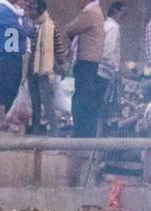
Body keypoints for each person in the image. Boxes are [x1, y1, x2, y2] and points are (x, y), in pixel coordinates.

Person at [26, 0, 66, 136]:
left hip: (45, 69)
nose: (30, 11)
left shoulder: (50, 26)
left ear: (41, 10)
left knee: (46, 100)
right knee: (34, 100)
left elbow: (58, 47)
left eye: (33, 9)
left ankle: (55, 130)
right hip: (30, 69)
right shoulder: (29, 26)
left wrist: (62, 64)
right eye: (29, 8)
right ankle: (36, 129)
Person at [64, 0, 103, 137]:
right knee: (87, 97)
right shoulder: (97, 11)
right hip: (92, 61)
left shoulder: (89, 12)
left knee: (81, 98)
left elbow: (70, 29)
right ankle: (86, 132)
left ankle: (80, 132)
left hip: (86, 60)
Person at [0, 0, 25, 129]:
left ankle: (6, 116)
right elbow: (17, 32)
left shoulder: (12, 12)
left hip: (14, 53)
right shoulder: (3, 11)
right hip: (7, 53)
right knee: (6, 84)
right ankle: (1, 119)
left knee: (13, 84)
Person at [98, 0, 125, 134]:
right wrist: (116, 70)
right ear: (116, 12)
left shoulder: (105, 25)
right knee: (105, 107)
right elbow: (109, 51)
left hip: (99, 70)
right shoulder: (113, 28)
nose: (124, 17)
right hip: (106, 72)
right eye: (123, 14)